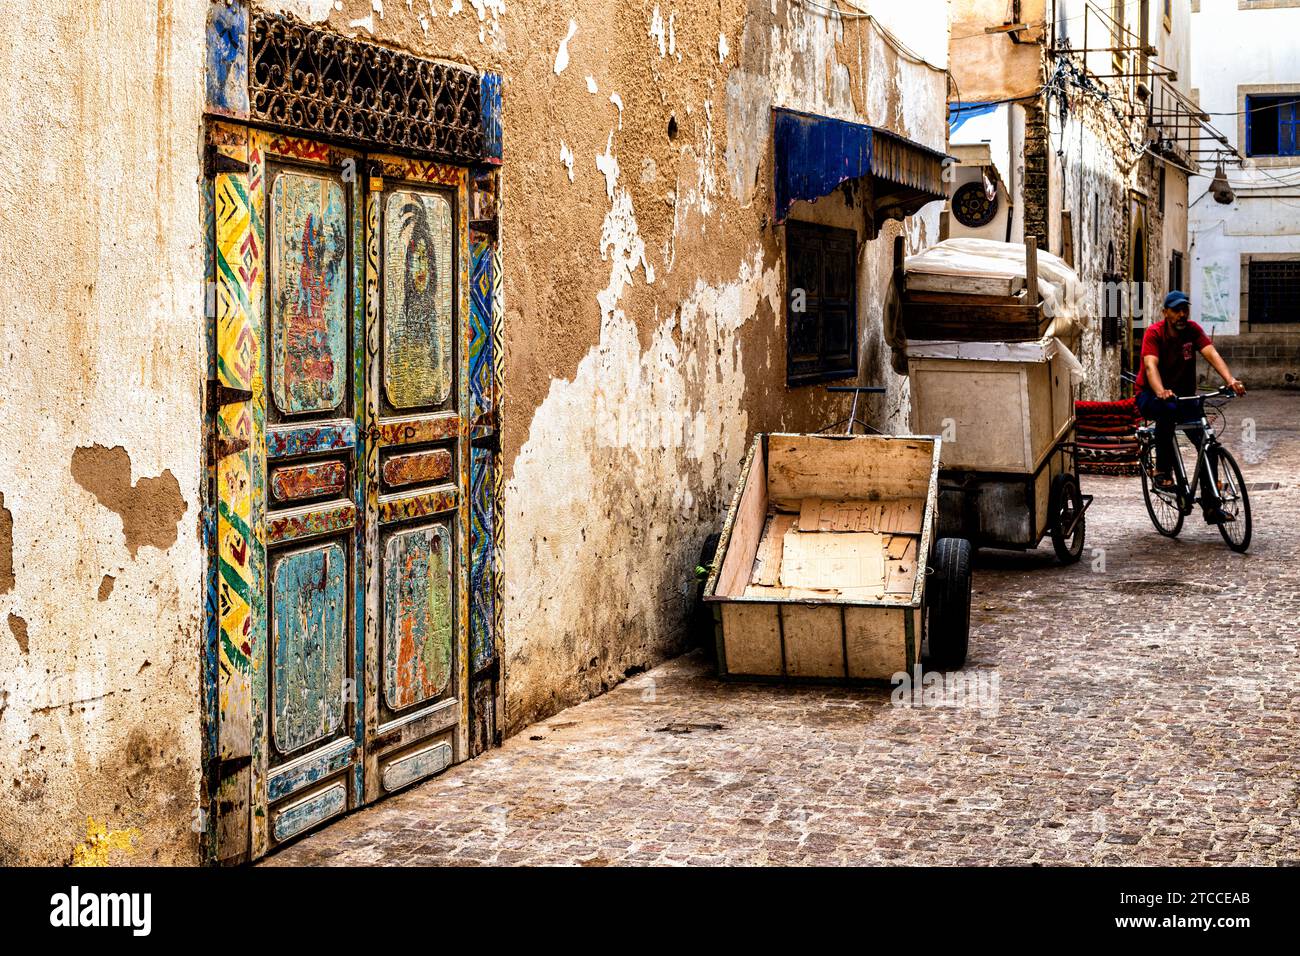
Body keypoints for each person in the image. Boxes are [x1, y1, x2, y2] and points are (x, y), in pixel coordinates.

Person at [1134, 290, 1246, 524]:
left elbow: (1211, 353)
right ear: (1165, 312)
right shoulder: (1154, 333)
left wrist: (1230, 381)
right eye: (1176, 310)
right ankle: (1162, 471)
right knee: (1167, 412)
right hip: (1150, 395)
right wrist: (1160, 391)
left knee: (1208, 445)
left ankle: (1211, 506)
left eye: (1185, 309)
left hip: (1184, 397)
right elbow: (1150, 365)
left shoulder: (1193, 330)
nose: (1182, 314)